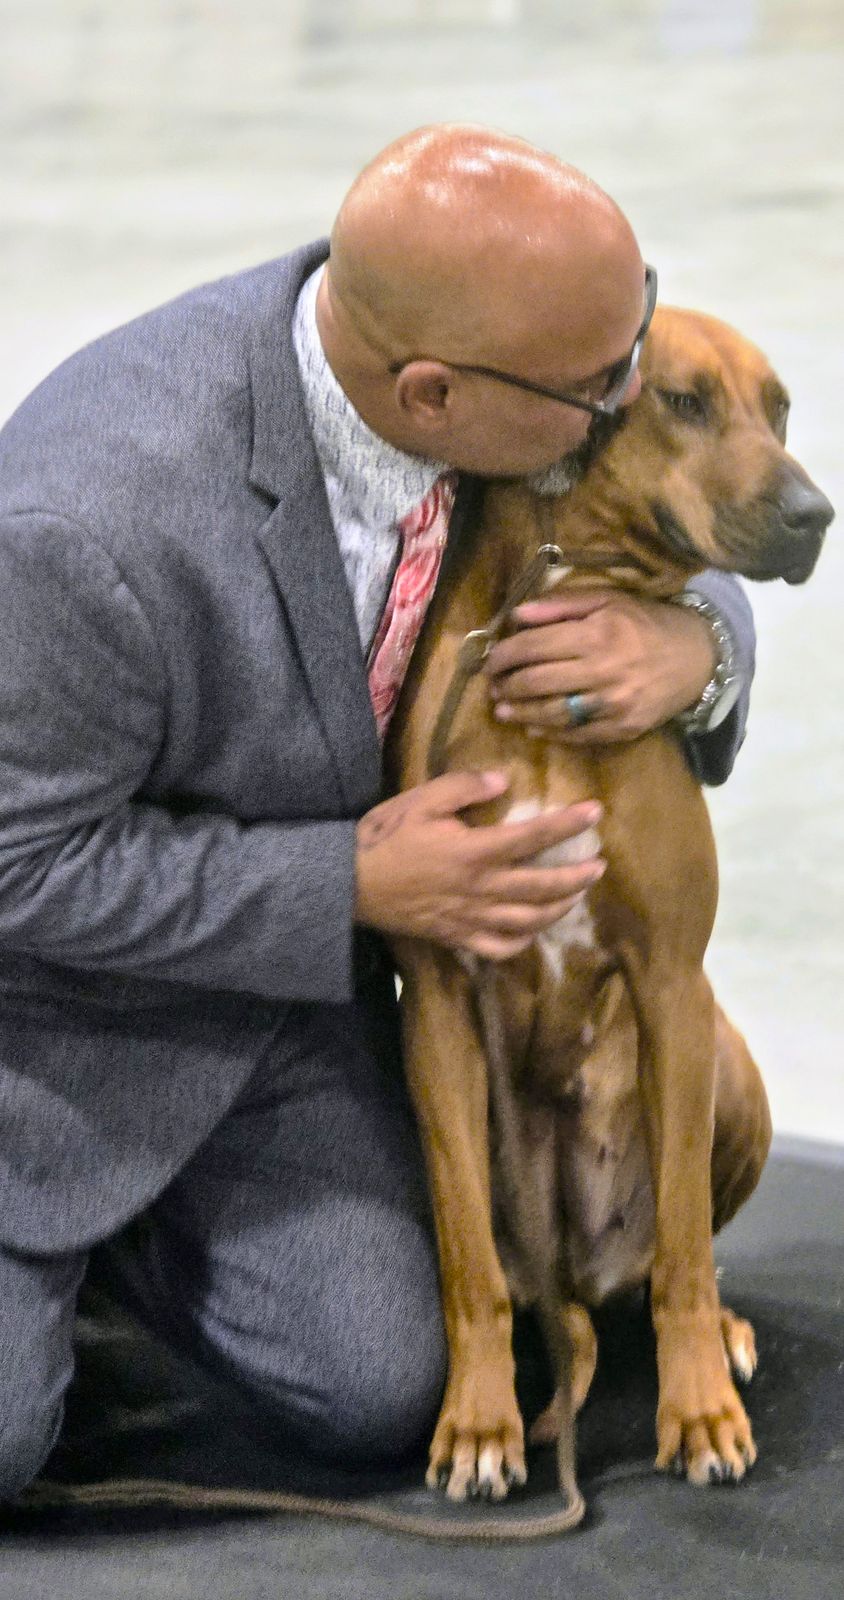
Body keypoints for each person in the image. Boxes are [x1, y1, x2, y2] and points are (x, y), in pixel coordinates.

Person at [0, 124, 754, 1498]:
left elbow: (672, 509)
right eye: (603, 389)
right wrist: (345, 885)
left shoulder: (487, 359)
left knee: (375, 1392)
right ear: (434, 397)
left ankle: (159, 1258)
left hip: (288, 1025)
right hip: (58, 1034)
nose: (626, 400)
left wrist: (696, 647)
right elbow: (17, 868)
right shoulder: (83, 526)